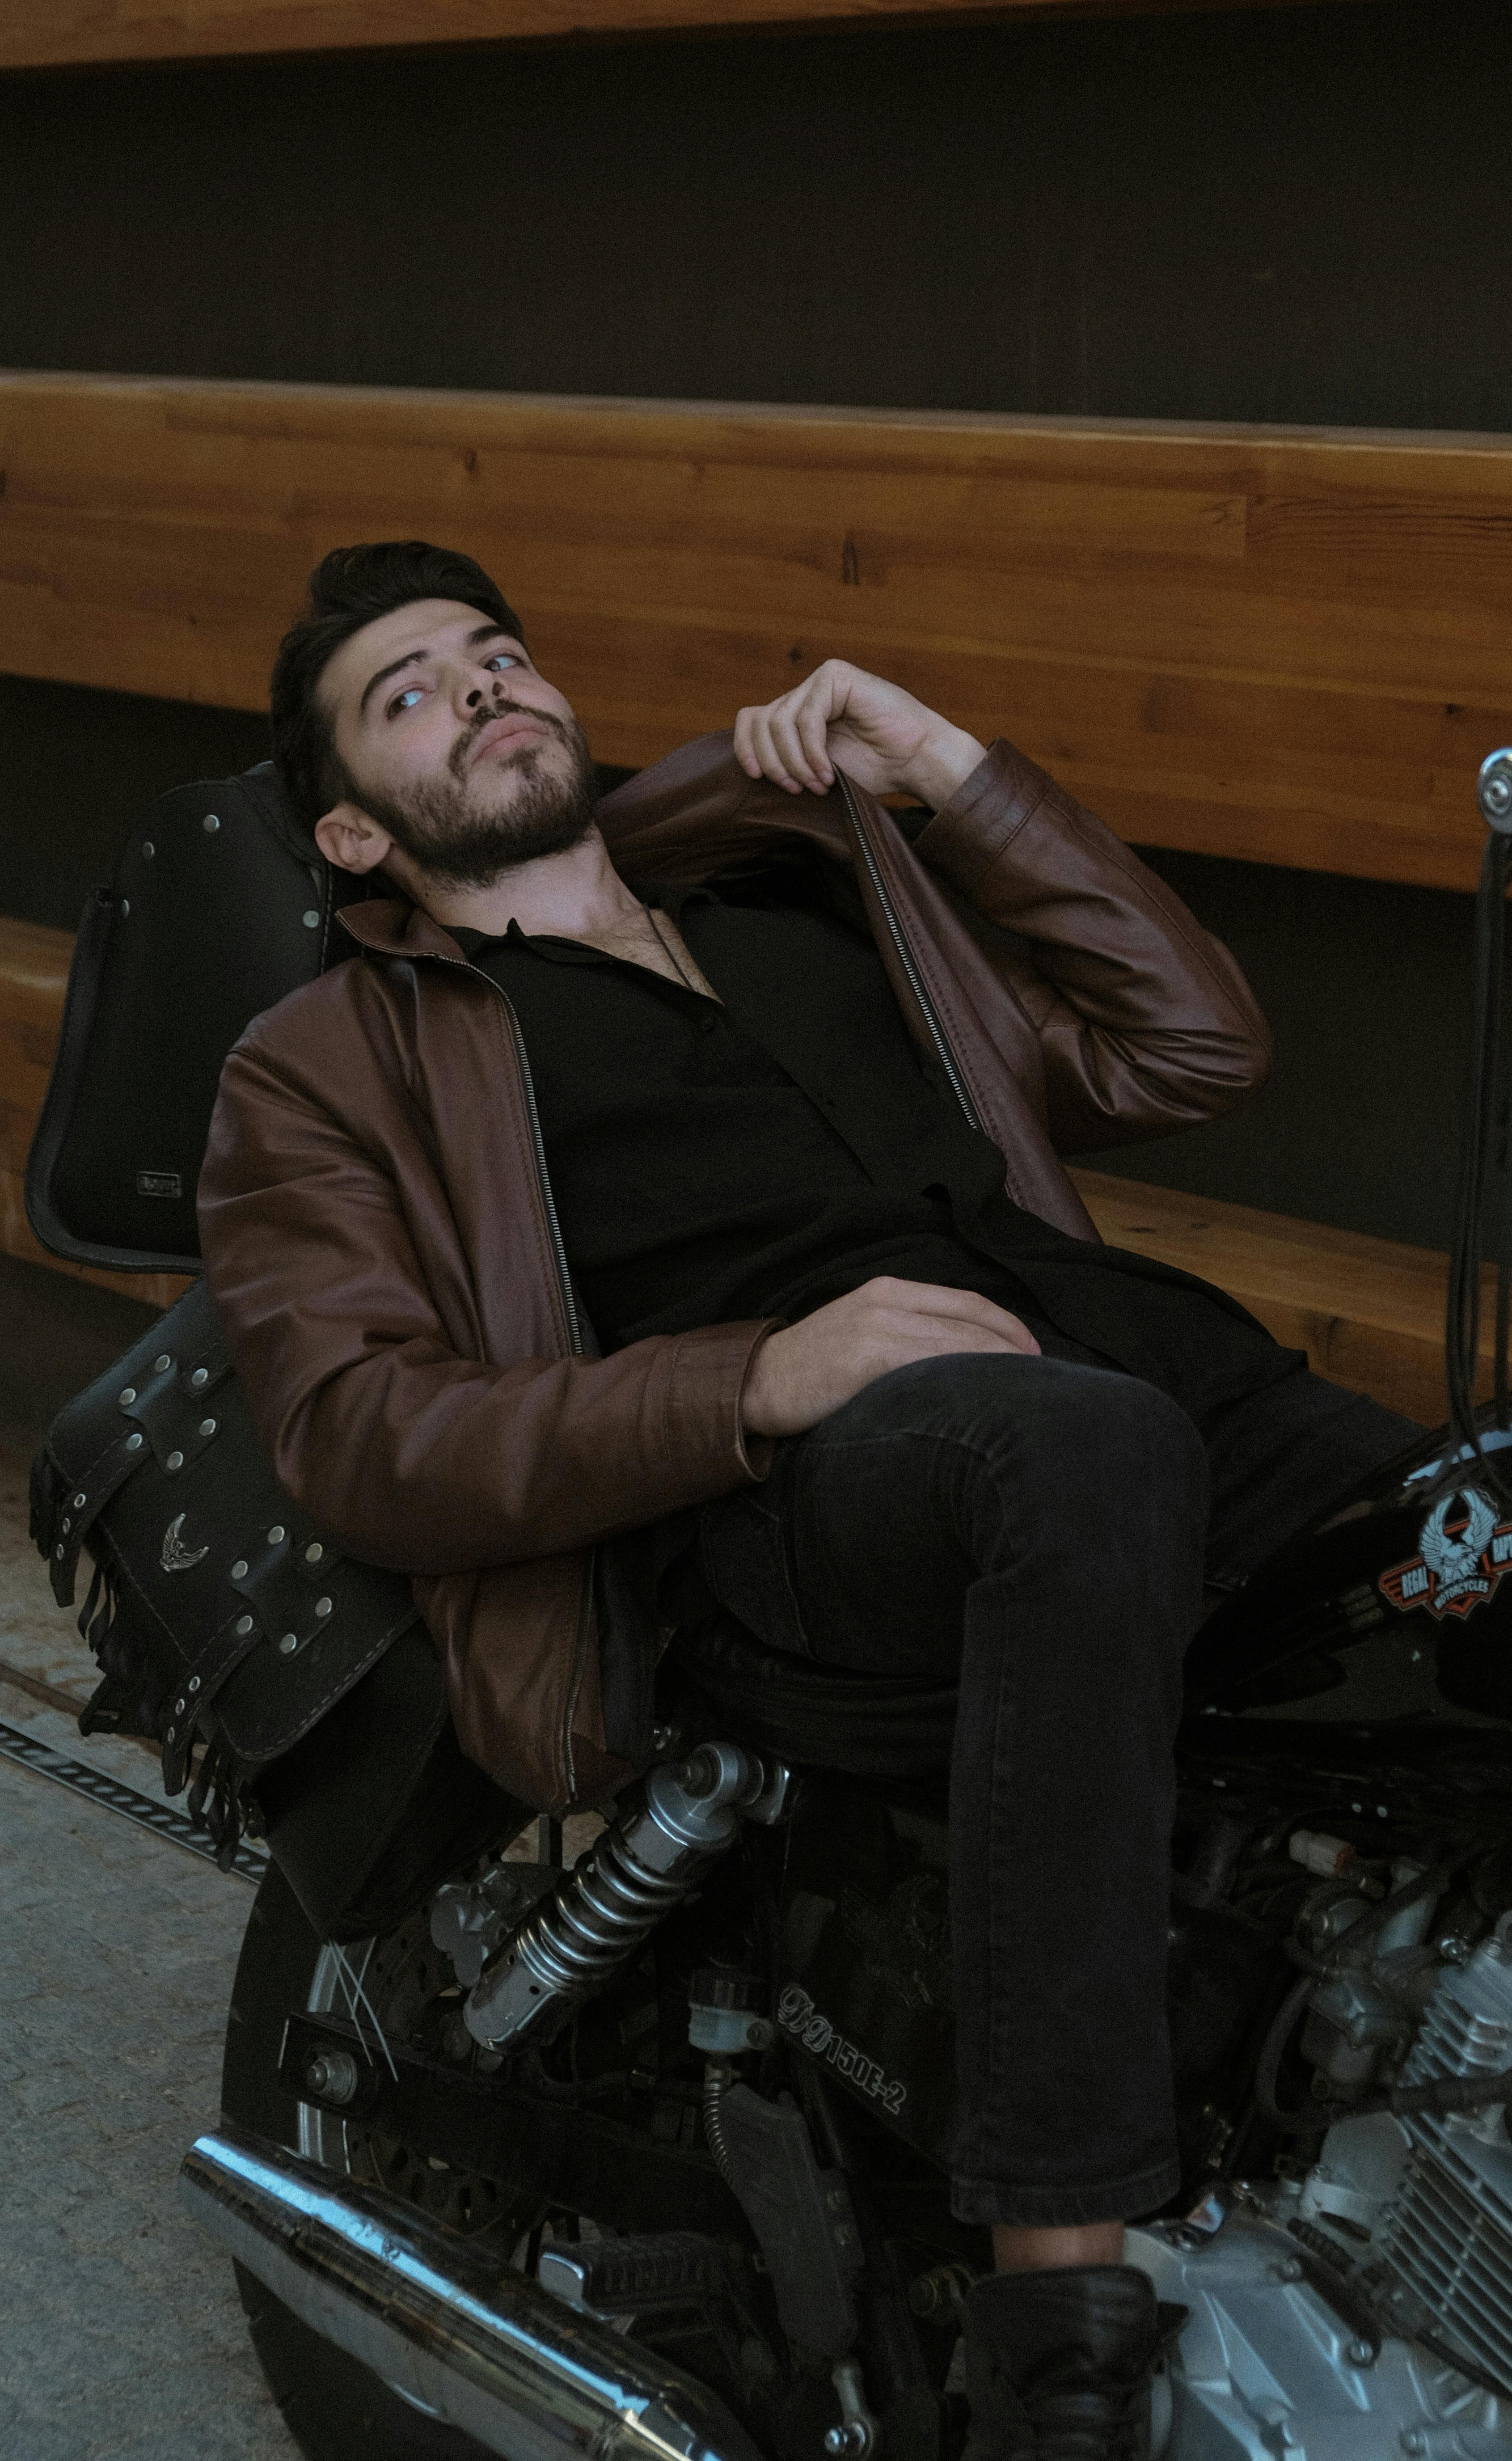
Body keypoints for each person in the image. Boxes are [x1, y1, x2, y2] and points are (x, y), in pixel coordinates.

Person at [199, 541, 1417, 2459]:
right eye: (412, 692)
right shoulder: (331, 1066)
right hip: (785, 1499)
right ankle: (1057, 2342)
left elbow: (1194, 1045)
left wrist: (946, 770)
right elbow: (361, 1432)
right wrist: (751, 1377)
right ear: (354, 839)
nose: (484, 688)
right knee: (1074, 1451)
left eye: (497, 655)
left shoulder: (807, 911)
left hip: (1149, 1391)